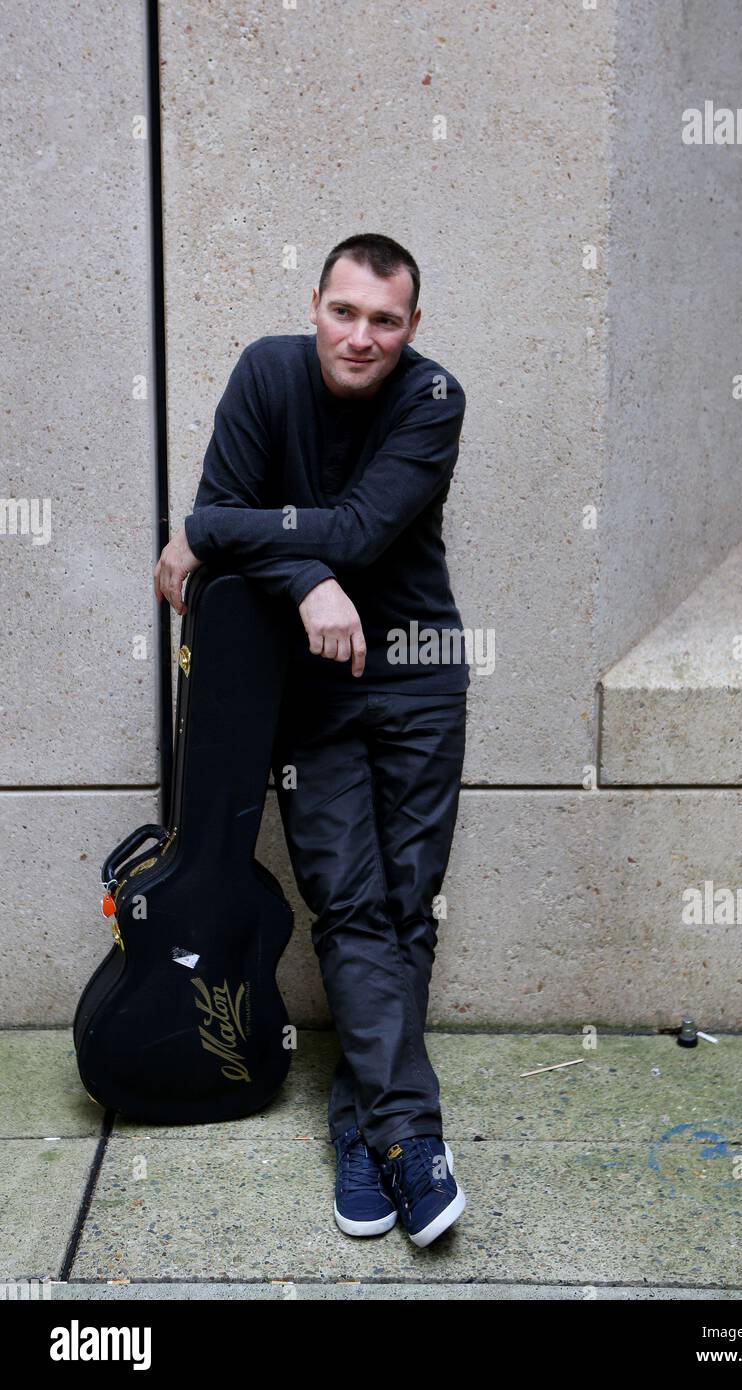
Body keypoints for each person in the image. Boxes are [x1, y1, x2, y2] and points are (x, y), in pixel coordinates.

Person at [154, 233, 469, 1247]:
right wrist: (302, 578)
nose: (362, 336)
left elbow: (355, 530)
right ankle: (411, 1142)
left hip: (417, 676)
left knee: (404, 906)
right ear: (316, 306)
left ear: (409, 327)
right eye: (345, 311)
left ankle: (360, 1124)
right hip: (314, 693)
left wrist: (219, 537)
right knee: (346, 903)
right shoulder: (264, 372)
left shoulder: (432, 400)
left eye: (385, 319)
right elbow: (241, 515)